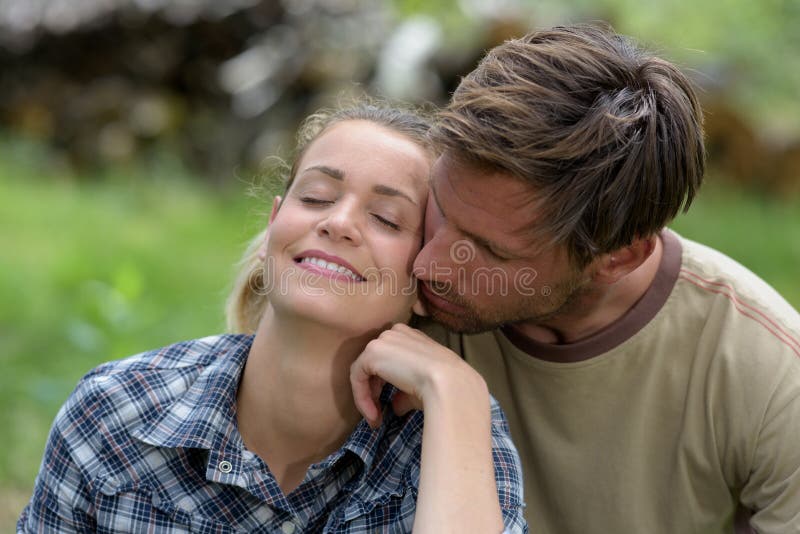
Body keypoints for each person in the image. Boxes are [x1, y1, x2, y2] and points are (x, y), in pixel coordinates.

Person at [18, 103, 527, 533]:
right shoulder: (115, 415)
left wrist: (451, 387)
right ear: (274, 225)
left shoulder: (457, 444)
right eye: (317, 198)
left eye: (386, 219)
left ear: (425, 275)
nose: (339, 222)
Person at [406, 23, 799, 534]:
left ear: (619, 257)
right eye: (440, 205)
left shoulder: (768, 375)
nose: (428, 265)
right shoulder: (377, 266)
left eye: (488, 252)